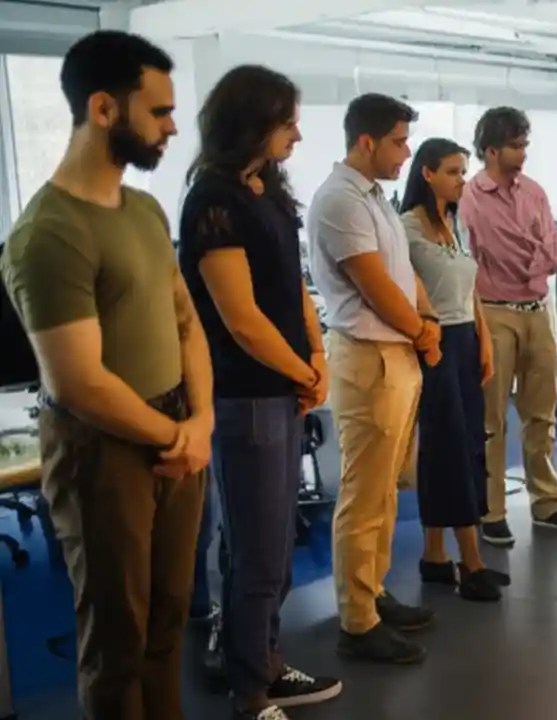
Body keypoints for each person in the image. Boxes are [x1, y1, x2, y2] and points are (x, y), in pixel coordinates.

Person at [0, 31, 213, 719]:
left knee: (169, 622)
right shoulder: (48, 233)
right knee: (117, 643)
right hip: (105, 450)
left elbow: (185, 321)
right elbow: (77, 382)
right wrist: (175, 436)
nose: (172, 125)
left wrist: (200, 421)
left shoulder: (145, 210)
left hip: (176, 428)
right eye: (158, 111)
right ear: (102, 109)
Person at [178, 65, 343, 719]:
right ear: (252, 123)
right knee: (257, 549)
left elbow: (292, 289)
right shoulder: (214, 201)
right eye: (287, 122)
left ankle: (267, 663)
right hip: (245, 392)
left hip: (281, 385)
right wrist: (300, 373)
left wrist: (316, 356)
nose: (297, 135)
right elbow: (240, 318)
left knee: (274, 542)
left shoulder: (267, 191)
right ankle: (250, 692)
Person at [308, 93, 441, 665]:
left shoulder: (376, 199)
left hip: (398, 352)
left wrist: (428, 320)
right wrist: (420, 330)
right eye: (398, 141)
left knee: (386, 489)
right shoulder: (339, 199)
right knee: (364, 493)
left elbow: (403, 270)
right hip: (369, 354)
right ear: (367, 141)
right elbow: (372, 284)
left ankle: (373, 592)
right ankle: (356, 623)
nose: (406, 152)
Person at [458, 106, 557, 548]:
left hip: (539, 310)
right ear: (491, 149)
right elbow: (491, 255)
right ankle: (491, 510)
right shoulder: (470, 198)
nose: (523, 153)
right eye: (516, 146)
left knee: (542, 413)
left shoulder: (534, 191)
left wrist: (530, 250)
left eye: (525, 144)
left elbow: (556, 253)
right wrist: (532, 249)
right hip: (494, 311)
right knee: (491, 417)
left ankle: (548, 502)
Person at [401, 138, 511, 602]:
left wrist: (484, 338)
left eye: (463, 172)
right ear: (426, 173)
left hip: (466, 339)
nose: (462, 180)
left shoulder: (455, 224)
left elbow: (471, 291)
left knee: (466, 443)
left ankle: (434, 556)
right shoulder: (405, 229)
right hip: (435, 344)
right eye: (452, 172)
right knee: (446, 449)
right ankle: (471, 561)